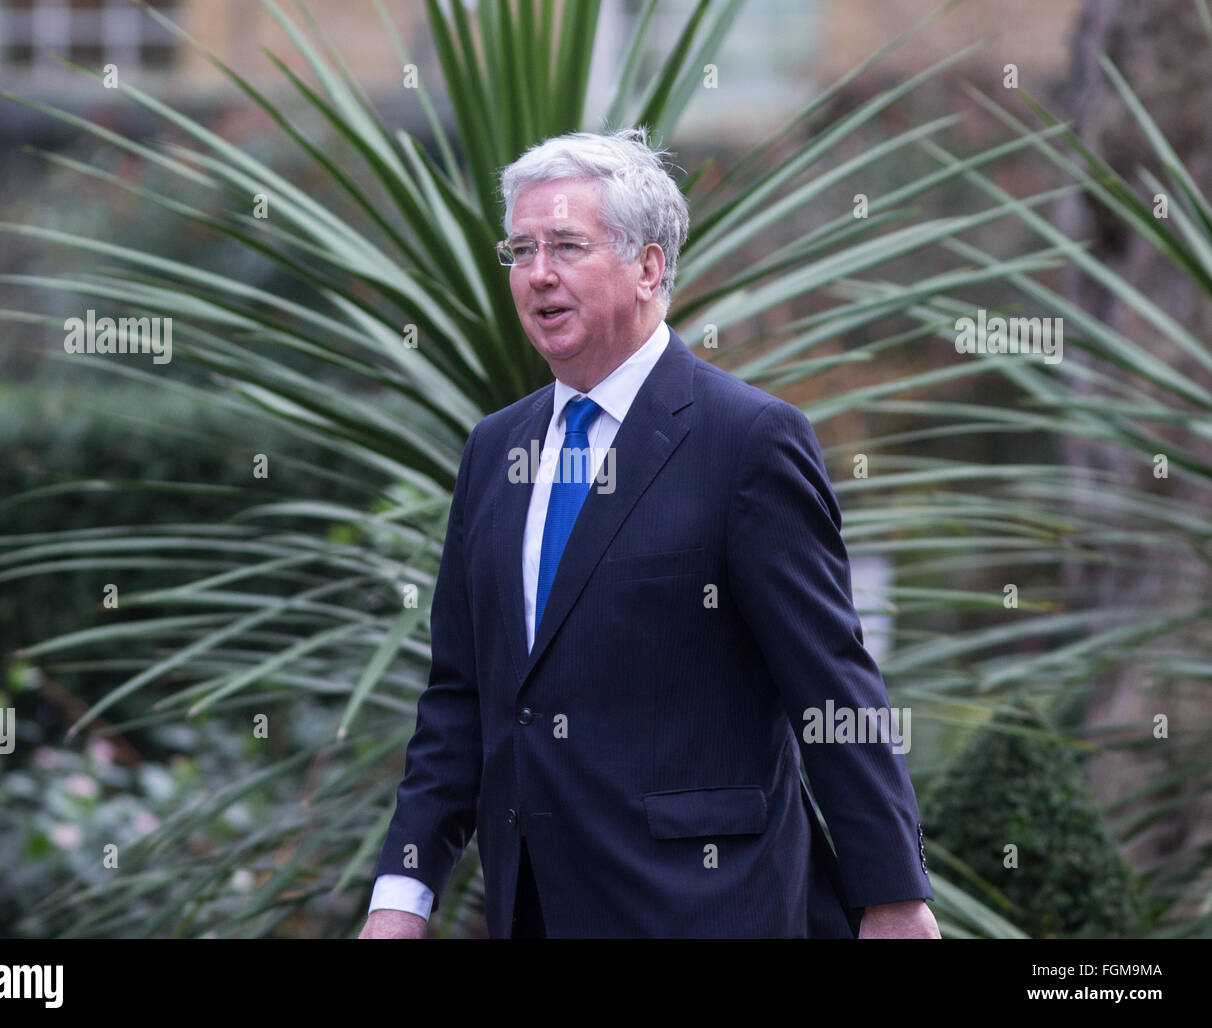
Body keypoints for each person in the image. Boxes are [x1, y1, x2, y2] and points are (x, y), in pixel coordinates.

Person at [359, 127, 938, 939]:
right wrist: (402, 894)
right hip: (533, 913)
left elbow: (832, 684)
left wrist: (892, 898)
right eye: (520, 250)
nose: (538, 275)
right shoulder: (496, 451)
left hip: (710, 908)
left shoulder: (748, 440)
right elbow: (460, 700)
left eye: (566, 245)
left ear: (649, 266)